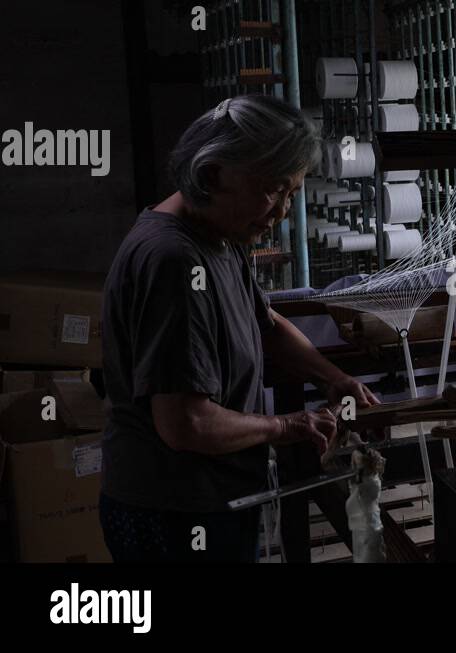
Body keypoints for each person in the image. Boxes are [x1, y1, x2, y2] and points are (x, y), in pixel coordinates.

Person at [99, 95, 378, 562]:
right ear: (212, 175)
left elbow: (266, 325)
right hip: (172, 514)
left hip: (207, 501)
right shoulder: (174, 260)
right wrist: (286, 425)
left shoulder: (219, 238)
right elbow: (185, 424)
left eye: (293, 193)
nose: (283, 211)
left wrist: (334, 377)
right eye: (274, 190)